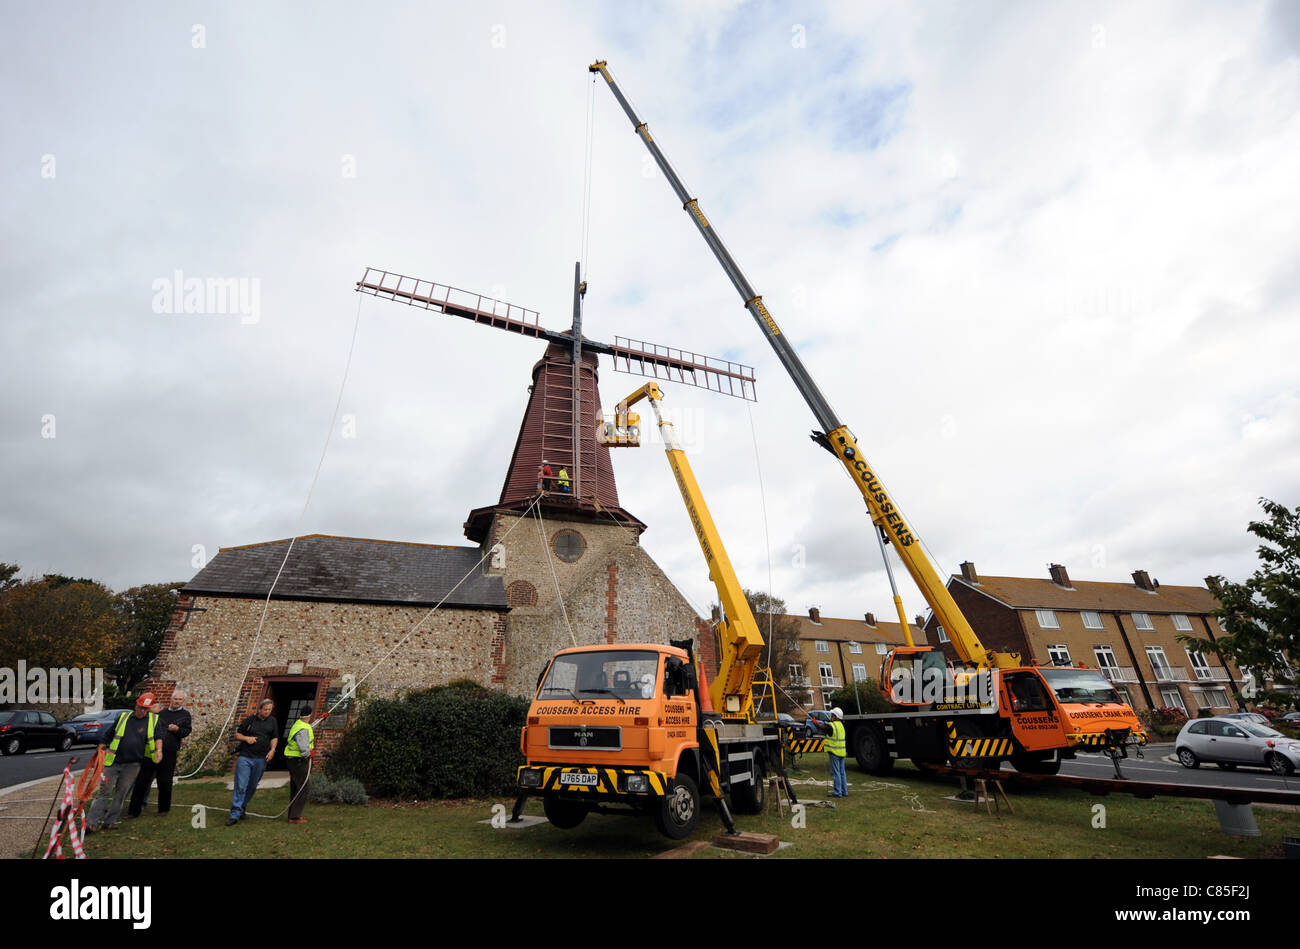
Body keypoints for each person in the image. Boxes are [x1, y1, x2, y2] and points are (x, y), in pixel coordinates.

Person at [86, 693, 162, 832]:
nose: (142, 711)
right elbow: (107, 735)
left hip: (133, 765)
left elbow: (158, 737)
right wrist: (101, 748)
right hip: (113, 762)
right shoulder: (123, 717)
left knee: (121, 794)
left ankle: (110, 822)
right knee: (104, 792)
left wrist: (159, 750)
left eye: (146, 709)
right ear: (136, 705)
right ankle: (91, 824)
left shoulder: (153, 720)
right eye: (140, 707)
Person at [128, 688, 192, 817]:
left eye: (180, 700)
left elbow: (186, 731)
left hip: (169, 751)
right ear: (171, 699)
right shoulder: (161, 713)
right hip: (152, 751)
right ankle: (134, 810)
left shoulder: (185, 715)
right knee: (142, 781)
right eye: (175, 699)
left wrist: (177, 729)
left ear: (183, 701)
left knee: (165, 782)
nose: (177, 702)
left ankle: (163, 810)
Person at [227, 699, 277, 826]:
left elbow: (274, 737)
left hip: (261, 758)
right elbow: (237, 735)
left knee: (252, 785)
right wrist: (247, 738)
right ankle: (235, 813)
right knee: (241, 785)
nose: (267, 712)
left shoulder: (272, 721)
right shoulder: (250, 720)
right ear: (259, 709)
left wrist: (272, 750)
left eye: (270, 709)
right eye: (265, 709)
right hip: (246, 757)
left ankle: (242, 806)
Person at [283, 708, 315, 824]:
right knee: (303, 787)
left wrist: (322, 718)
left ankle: (292, 815)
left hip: (293, 760)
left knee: (296, 787)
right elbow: (303, 745)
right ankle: (295, 817)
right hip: (299, 761)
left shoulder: (300, 724)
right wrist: (308, 753)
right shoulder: (303, 728)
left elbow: (309, 729)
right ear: (310, 715)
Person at [812, 707, 848, 798]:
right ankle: (844, 792)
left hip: (834, 753)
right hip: (842, 753)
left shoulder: (832, 726)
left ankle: (837, 792)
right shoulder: (841, 726)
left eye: (832, 715)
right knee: (842, 773)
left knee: (836, 773)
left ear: (835, 717)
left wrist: (815, 722)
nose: (831, 716)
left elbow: (822, 728)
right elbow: (825, 727)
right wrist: (818, 723)